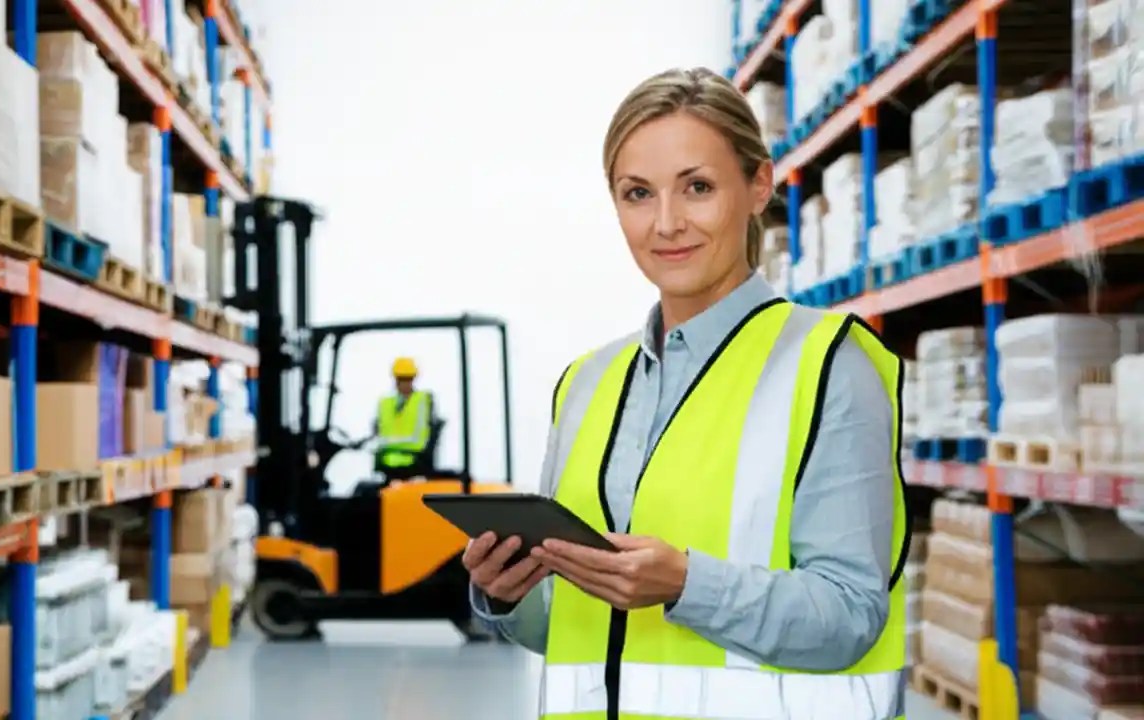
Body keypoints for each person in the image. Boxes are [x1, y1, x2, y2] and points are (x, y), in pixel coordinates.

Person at [461, 67, 909, 720]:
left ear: (759, 186)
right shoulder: (587, 383)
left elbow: (850, 615)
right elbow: (567, 628)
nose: (666, 223)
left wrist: (687, 584)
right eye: (637, 193)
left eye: (697, 187)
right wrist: (507, 595)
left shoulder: (829, 365)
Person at [363, 356, 435, 482]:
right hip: (387, 463)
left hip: (414, 463)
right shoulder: (385, 403)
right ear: (395, 380)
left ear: (413, 379)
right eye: (401, 379)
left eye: (408, 379)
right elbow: (378, 430)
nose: (404, 383)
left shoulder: (423, 401)